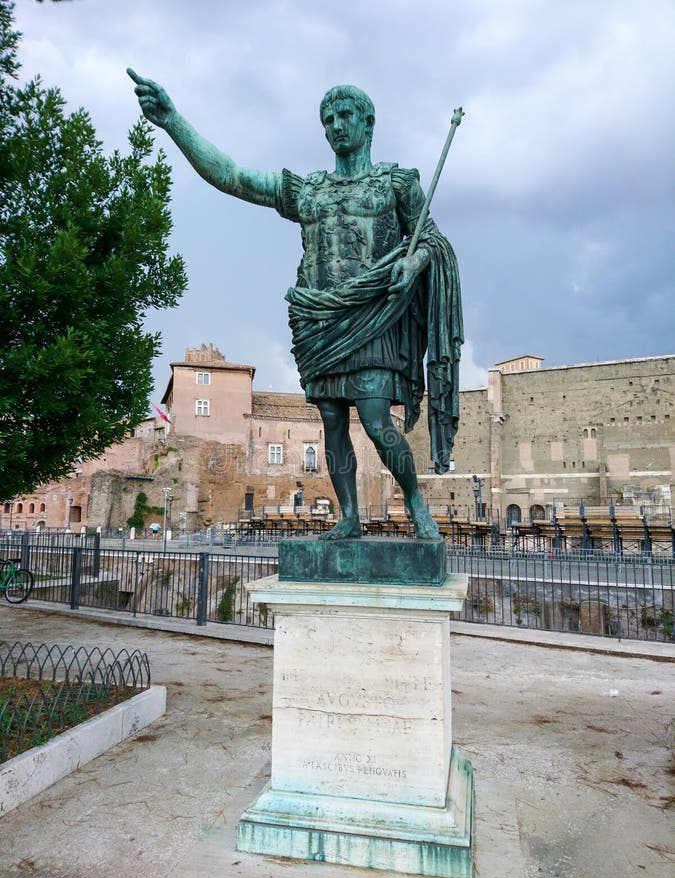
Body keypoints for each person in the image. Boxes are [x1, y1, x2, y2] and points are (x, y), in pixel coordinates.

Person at [128, 71, 463, 540]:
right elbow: (232, 177)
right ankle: (348, 517)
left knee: (373, 417)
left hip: (373, 319)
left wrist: (415, 263)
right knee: (331, 421)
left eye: (345, 116)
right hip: (320, 320)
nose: (336, 125)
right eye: (328, 119)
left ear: (369, 123)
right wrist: (172, 121)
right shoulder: (310, 190)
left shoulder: (396, 183)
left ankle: (414, 503)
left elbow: (429, 238)